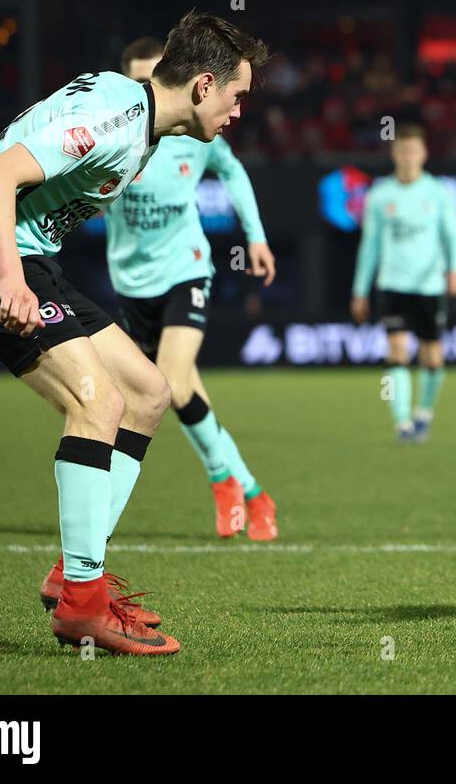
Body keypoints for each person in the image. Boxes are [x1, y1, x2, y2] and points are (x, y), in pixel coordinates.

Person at [0, 12, 269, 655]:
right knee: (98, 402)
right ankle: (83, 602)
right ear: (202, 85)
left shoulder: (144, 126)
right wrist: (10, 280)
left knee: (147, 390)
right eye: (237, 95)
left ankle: (72, 575)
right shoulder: (115, 119)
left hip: (35, 262)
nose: (238, 111)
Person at [104, 36, 278, 539]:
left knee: (171, 385)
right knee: (185, 391)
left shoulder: (195, 136)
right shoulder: (117, 137)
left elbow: (234, 173)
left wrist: (257, 237)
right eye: (137, 79)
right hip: (131, 284)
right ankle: (251, 491)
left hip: (187, 272)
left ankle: (225, 483)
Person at [350, 125, 456, 442]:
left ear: (424, 154)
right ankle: (402, 423)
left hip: (429, 284)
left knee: (432, 354)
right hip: (393, 283)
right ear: (394, 153)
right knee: (397, 350)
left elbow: (453, 235)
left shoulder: (438, 192)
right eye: (403, 151)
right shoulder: (379, 195)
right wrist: (360, 290)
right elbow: (370, 245)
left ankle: (424, 413)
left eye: (414, 151)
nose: (408, 157)